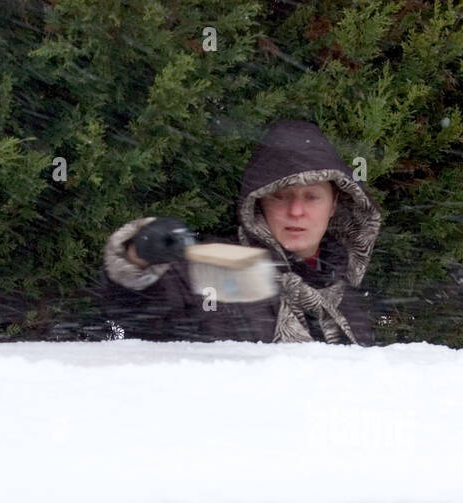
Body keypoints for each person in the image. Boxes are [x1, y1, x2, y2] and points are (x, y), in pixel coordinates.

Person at [98, 120, 381, 345]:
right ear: (259, 203)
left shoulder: (347, 307)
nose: (296, 211)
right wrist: (140, 254)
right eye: (281, 196)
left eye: (311, 197)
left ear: (334, 206)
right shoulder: (215, 268)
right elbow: (135, 312)